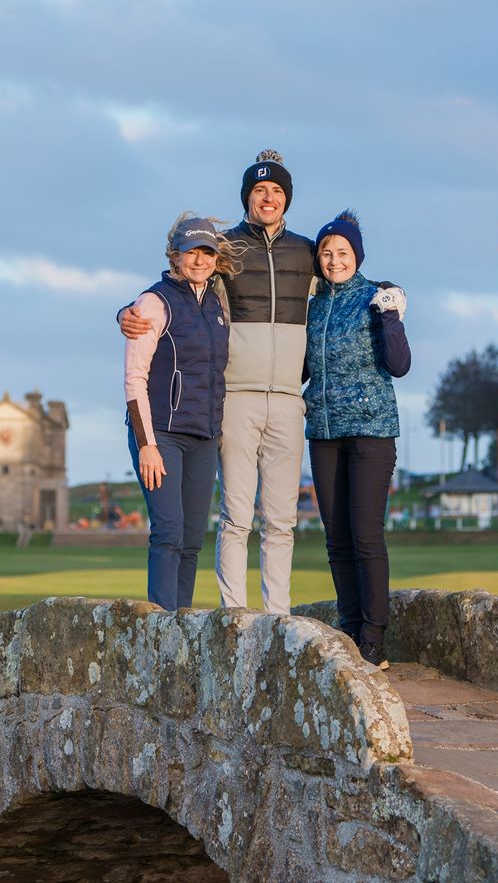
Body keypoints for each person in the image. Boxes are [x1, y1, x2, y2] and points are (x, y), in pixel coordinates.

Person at [120, 150, 319, 615]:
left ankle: (279, 618)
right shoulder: (224, 248)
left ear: (286, 199)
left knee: (279, 522)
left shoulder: (307, 252)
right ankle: (234, 617)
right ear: (247, 196)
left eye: (276, 191)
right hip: (232, 402)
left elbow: (341, 277)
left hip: (285, 400)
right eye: (258, 190)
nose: (267, 198)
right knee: (233, 519)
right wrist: (127, 313)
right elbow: (168, 296)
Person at [302, 210, 409, 667]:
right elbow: (301, 368)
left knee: (366, 535)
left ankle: (374, 639)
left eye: (342, 252)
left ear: (356, 256)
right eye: (326, 253)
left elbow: (399, 365)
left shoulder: (376, 297)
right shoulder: (313, 306)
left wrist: (390, 318)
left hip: (370, 431)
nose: (333, 260)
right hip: (324, 431)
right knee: (336, 537)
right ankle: (349, 629)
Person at [123, 214, 239, 611]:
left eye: (208, 252)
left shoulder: (217, 303)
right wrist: (147, 445)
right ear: (175, 255)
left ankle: (183, 628)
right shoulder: (153, 302)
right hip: (162, 436)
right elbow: (134, 379)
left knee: (192, 540)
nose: (201, 259)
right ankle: (160, 631)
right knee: (168, 533)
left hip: (204, 438)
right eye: (193, 251)